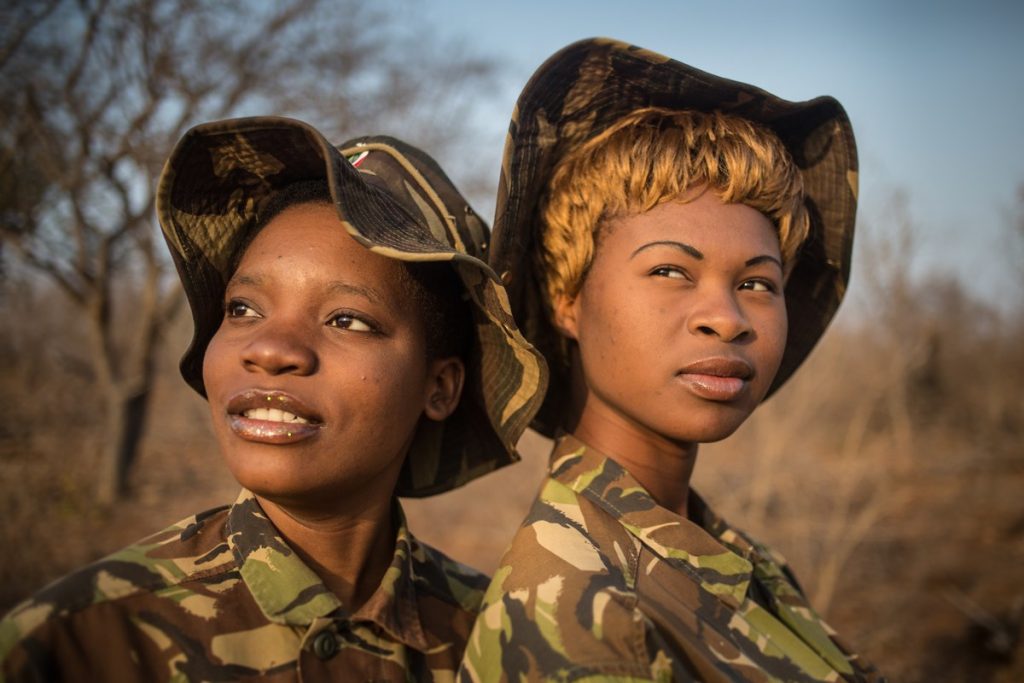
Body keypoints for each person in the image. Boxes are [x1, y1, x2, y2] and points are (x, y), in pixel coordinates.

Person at [0, 118, 546, 681]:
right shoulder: (77, 644)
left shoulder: (502, 645)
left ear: (440, 387)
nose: (270, 349)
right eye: (243, 309)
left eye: (347, 319)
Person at [460, 39, 883, 682]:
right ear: (568, 299)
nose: (727, 317)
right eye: (669, 270)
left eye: (757, 283)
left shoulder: (730, 555)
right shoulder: (586, 623)